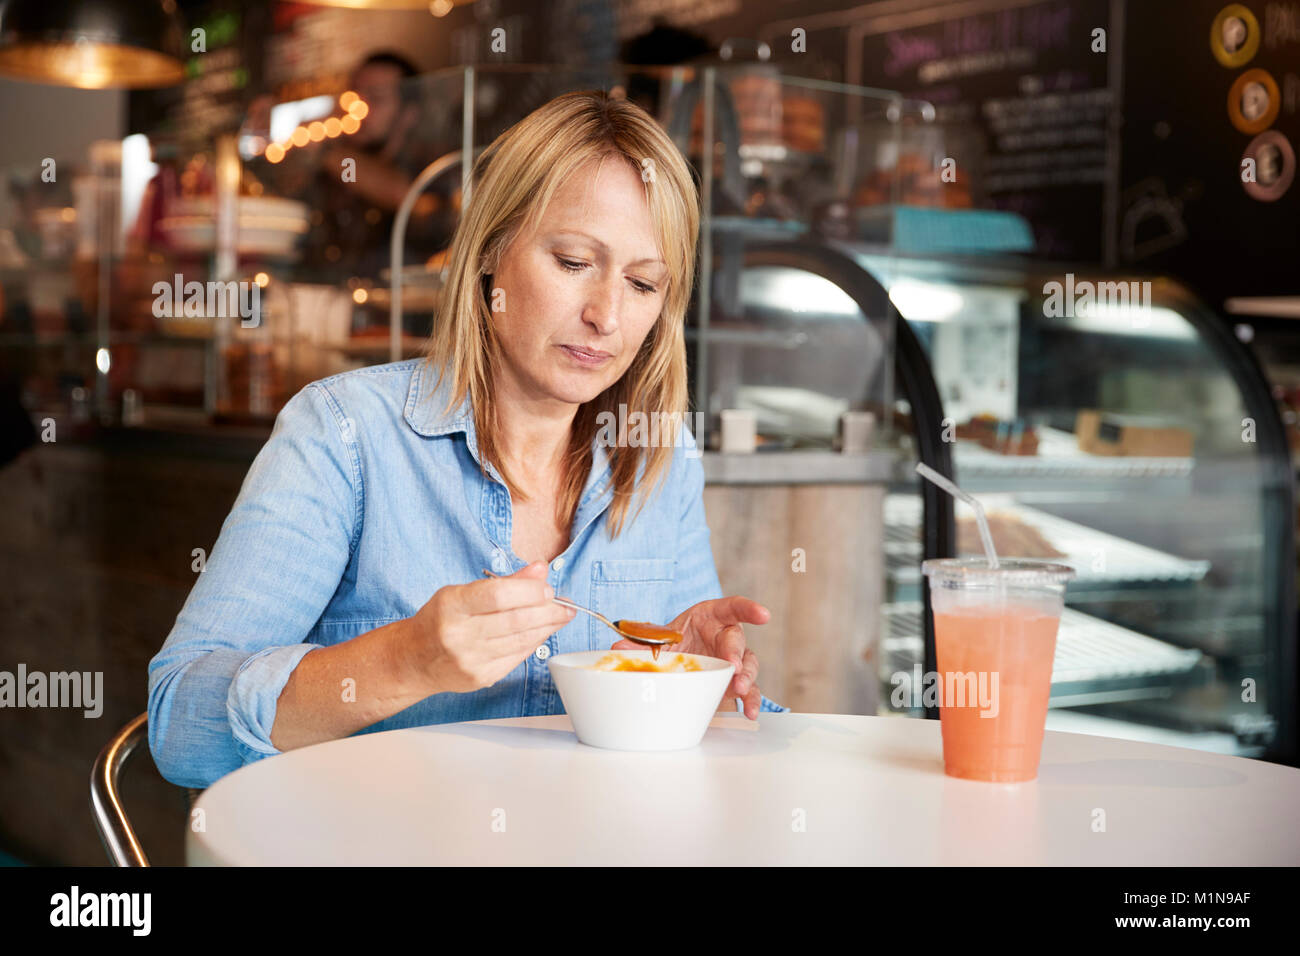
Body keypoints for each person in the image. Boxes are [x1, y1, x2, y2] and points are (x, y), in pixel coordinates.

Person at [148, 90, 787, 788]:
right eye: (573, 262)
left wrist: (699, 692)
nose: (607, 315)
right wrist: (403, 661)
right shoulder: (345, 434)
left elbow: (700, 739)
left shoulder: (660, 455)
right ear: (490, 254)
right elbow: (180, 730)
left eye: (642, 283)